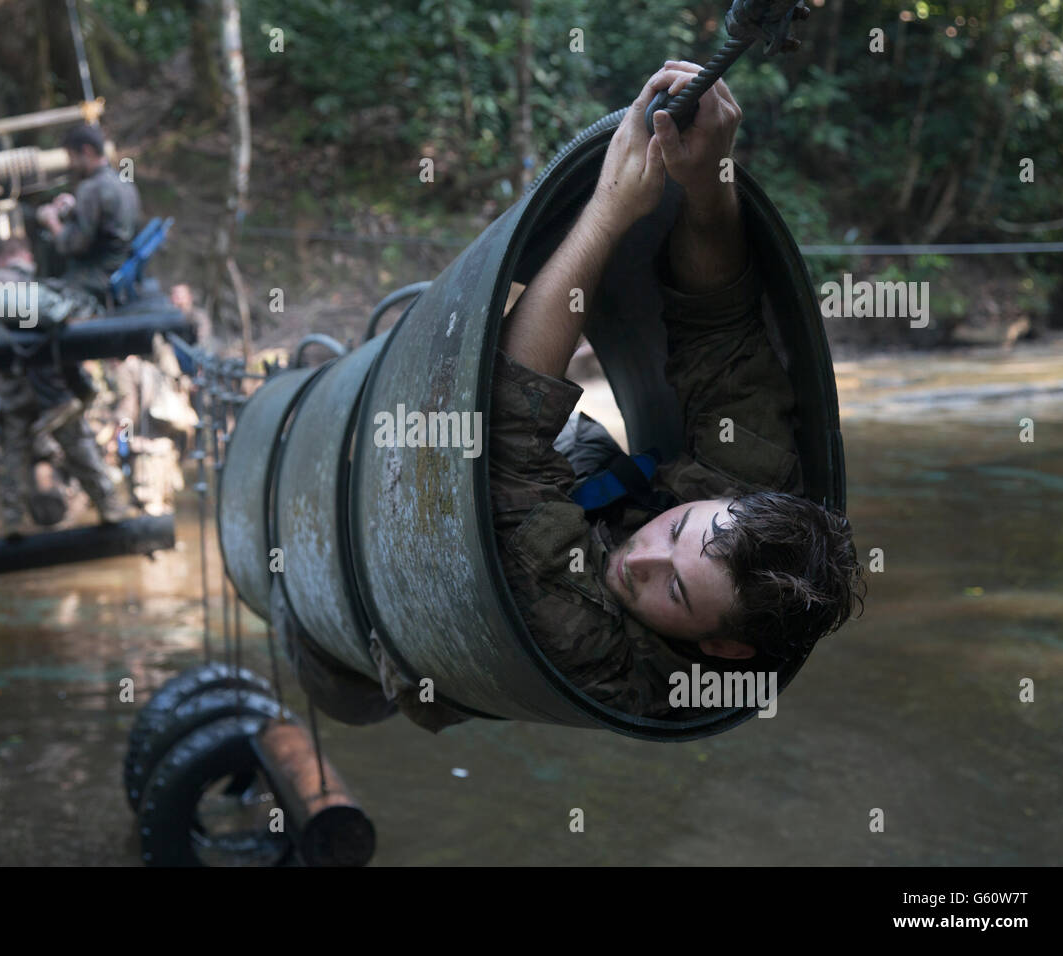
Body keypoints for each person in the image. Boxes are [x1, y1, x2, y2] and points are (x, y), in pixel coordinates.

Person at [286, 62, 865, 732]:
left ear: (724, 650)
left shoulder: (599, 654)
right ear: (727, 503)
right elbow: (720, 326)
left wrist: (609, 211)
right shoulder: (756, 498)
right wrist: (708, 184)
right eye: (676, 530)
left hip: (415, 595)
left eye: (675, 589)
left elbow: (500, 421)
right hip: (544, 498)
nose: (642, 559)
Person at [0, 237, 131, 536]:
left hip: (16, 391)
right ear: (27, 257)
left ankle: (12, 522)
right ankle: (110, 508)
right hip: (55, 392)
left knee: (14, 457)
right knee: (79, 448)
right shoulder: (43, 290)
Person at [36, 124, 140, 304]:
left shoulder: (90, 188)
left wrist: (51, 220)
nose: (71, 164)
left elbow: (72, 246)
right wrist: (74, 208)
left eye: (72, 157)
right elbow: (109, 223)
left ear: (87, 151)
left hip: (95, 279)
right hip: (119, 268)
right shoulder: (124, 182)